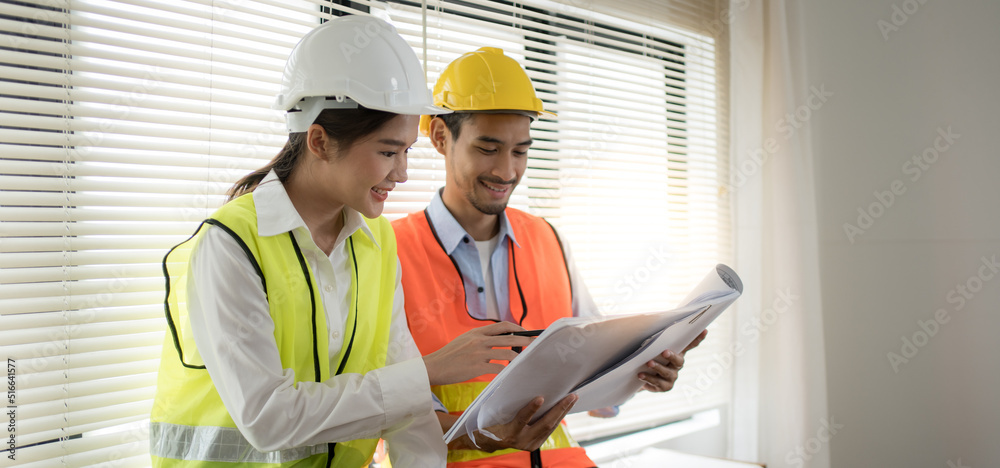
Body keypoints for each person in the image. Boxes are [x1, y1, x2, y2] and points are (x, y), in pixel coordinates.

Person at [149, 18, 534, 467]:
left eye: (407, 151)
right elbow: (269, 419)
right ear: (319, 141)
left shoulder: (376, 241)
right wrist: (429, 371)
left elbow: (407, 413)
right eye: (388, 152)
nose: (402, 173)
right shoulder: (231, 246)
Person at [392, 47, 708, 467]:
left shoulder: (549, 239)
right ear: (438, 137)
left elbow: (596, 380)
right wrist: (488, 435)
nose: (506, 171)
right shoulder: (388, 252)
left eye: (521, 151)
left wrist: (642, 374)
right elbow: (390, 414)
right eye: (488, 149)